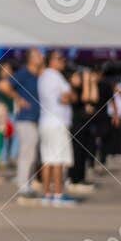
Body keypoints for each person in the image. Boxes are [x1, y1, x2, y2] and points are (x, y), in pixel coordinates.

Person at [3, 48, 43, 199]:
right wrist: (18, 99)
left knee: (33, 153)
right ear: (30, 59)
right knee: (27, 152)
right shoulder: (24, 73)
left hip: (36, 117)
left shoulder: (39, 74)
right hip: (24, 118)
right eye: (37, 55)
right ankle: (23, 184)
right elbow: (4, 85)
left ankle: (29, 182)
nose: (40, 57)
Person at [38, 49, 76, 205]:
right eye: (59, 58)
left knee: (48, 160)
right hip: (57, 122)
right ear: (51, 60)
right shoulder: (55, 77)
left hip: (45, 121)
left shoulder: (43, 76)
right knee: (58, 160)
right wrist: (72, 93)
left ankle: (47, 194)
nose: (63, 61)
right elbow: (67, 98)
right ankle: (59, 194)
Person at [69, 66, 102, 194]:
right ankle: (74, 179)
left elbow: (94, 99)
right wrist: (87, 81)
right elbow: (85, 98)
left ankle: (81, 178)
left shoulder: (85, 85)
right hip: (76, 123)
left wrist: (92, 83)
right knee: (76, 152)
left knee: (84, 151)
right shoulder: (73, 88)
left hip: (86, 123)